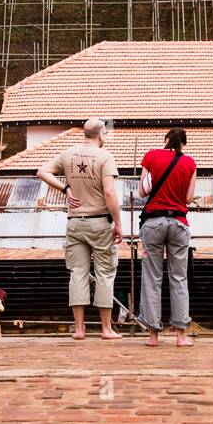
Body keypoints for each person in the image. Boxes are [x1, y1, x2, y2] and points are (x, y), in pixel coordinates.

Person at [37, 117, 123, 340]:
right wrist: (118, 224)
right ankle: (106, 329)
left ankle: (79, 329)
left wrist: (65, 188)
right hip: (100, 221)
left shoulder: (68, 154)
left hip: (75, 222)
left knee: (77, 274)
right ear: (102, 134)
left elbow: (42, 171)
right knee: (105, 273)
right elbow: (110, 193)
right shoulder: (105, 157)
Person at [138, 126, 197, 346]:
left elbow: (142, 191)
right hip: (179, 223)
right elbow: (189, 198)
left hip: (153, 223)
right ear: (183, 144)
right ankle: (180, 335)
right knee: (179, 278)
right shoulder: (190, 163)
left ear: (165, 140)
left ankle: (153, 335)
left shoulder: (151, 156)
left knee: (152, 278)